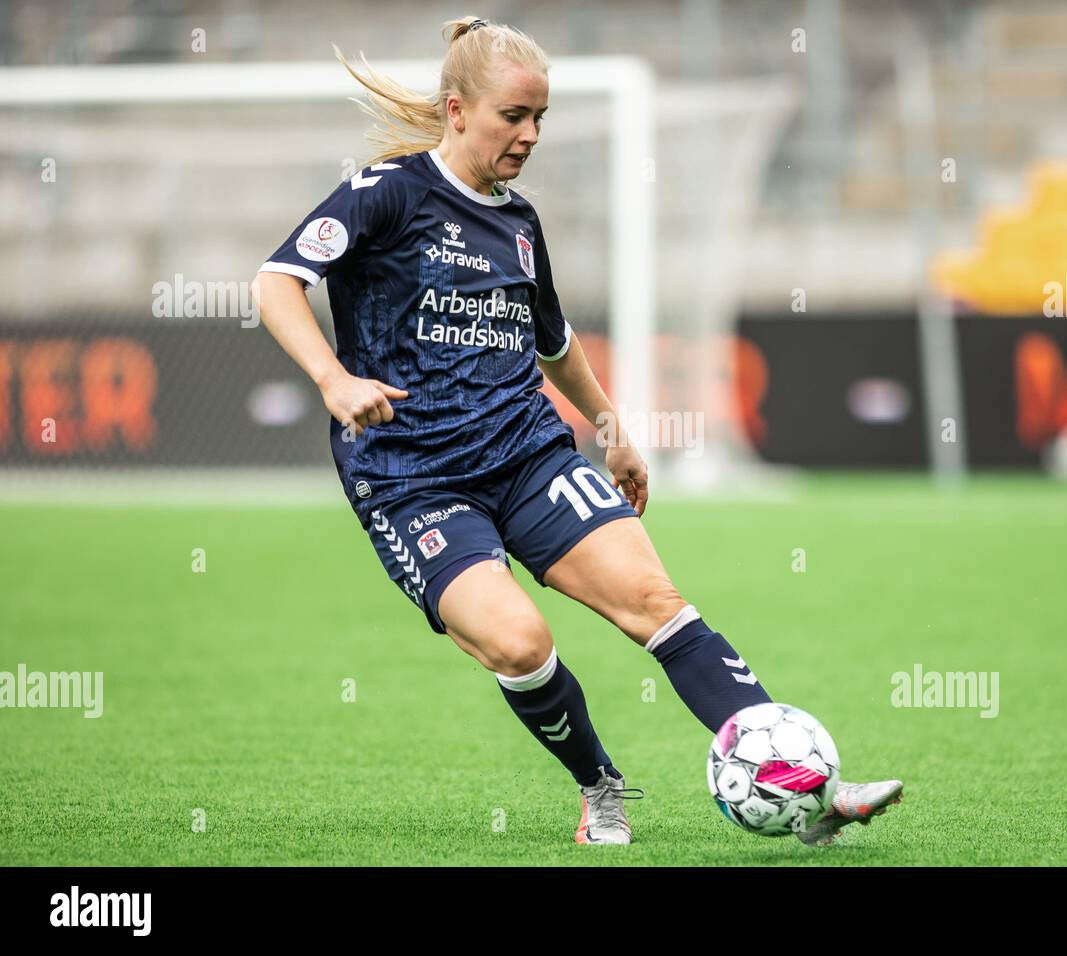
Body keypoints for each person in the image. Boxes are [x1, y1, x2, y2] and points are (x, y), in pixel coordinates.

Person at [251, 14, 902, 845]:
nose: (529, 135)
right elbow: (276, 281)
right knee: (520, 644)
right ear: (457, 111)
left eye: (539, 118)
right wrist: (332, 379)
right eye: (513, 116)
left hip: (527, 454)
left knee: (657, 603)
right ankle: (600, 787)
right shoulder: (387, 193)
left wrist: (611, 426)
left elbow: (552, 343)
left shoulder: (519, 223)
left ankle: (815, 792)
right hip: (413, 479)